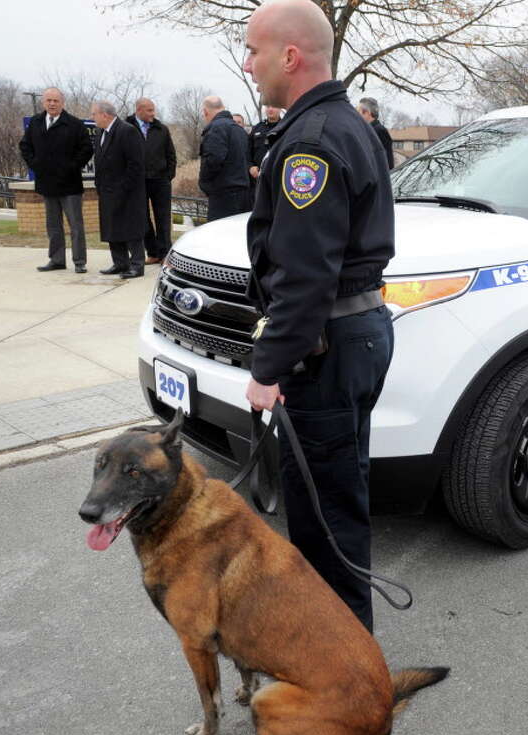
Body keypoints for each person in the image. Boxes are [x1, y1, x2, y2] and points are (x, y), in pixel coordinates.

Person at [242, 0, 395, 632]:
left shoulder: (311, 143)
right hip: (349, 335)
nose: (247, 65)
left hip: (326, 346)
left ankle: (343, 672)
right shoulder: (338, 124)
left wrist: (268, 367)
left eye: (253, 51)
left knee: (324, 524)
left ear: (289, 56)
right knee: (337, 502)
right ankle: (345, 659)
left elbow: (306, 278)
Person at [19, 88, 95, 273]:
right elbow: (25, 146)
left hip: (70, 184)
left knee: (76, 225)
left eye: (56, 100)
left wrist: (72, 166)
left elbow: (86, 149)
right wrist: (35, 164)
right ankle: (57, 259)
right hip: (47, 183)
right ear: (43, 102)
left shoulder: (74, 124)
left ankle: (79, 261)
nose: (52, 104)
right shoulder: (36, 122)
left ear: (62, 103)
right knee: (53, 226)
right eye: (49, 100)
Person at [90, 101, 147, 279]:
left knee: (131, 228)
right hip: (106, 191)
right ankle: (120, 263)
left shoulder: (127, 131)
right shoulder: (101, 133)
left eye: (94, 114)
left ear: (104, 115)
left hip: (127, 192)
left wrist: (123, 188)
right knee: (112, 228)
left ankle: (137, 265)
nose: (92, 117)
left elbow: (136, 165)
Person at [125, 97, 178, 265]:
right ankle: (153, 252)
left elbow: (171, 155)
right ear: (138, 110)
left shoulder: (161, 129)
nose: (153, 113)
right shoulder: (127, 128)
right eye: (149, 110)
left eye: (153, 110)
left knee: (163, 218)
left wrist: (168, 175)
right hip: (138, 182)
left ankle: (165, 254)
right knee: (142, 218)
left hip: (160, 180)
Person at [198, 96, 251, 220]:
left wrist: (204, 183)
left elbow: (213, 160)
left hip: (223, 196)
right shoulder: (239, 130)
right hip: (243, 194)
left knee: (219, 231)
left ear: (205, 112)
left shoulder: (216, 128)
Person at [247, 105, 281, 201]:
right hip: (258, 180)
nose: (270, 109)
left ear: (280, 108)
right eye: (268, 106)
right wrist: (250, 167)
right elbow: (247, 152)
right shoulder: (257, 128)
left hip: (278, 179)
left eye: (274, 106)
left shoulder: (287, 126)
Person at [357, 96, 394, 169]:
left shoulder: (379, 131)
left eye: (358, 112)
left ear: (367, 113)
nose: (356, 115)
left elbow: (385, 161)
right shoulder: (368, 130)